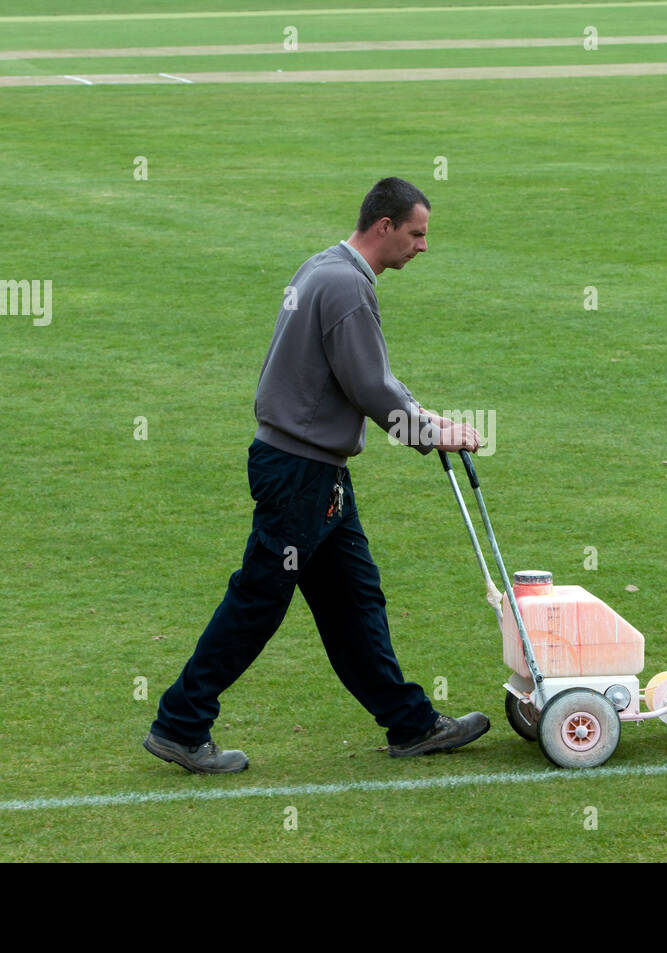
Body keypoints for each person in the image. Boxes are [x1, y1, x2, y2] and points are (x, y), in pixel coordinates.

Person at [143, 177, 489, 774]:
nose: (423, 246)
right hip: (301, 475)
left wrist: (422, 412)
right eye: (417, 234)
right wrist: (431, 432)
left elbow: (366, 375)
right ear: (385, 227)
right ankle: (180, 722)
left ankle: (410, 724)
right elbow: (369, 388)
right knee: (258, 599)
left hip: (312, 472)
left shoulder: (325, 268)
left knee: (354, 600)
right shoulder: (348, 288)